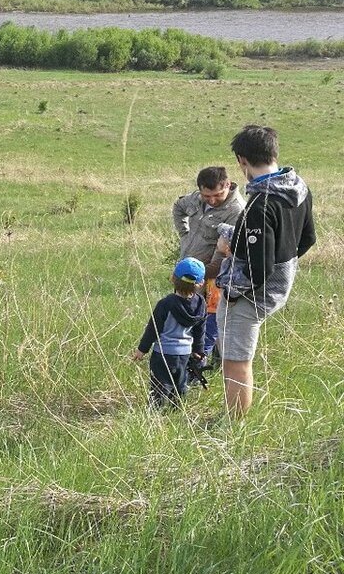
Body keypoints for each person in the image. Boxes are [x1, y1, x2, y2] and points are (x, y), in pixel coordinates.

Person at [214, 125, 316, 416]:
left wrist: (229, 254)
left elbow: (259, 268)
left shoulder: (260, 203)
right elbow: (308, 238)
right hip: (279, 288)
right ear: (274, 152)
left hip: (252, 296)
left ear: (241, 160)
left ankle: (234, 423)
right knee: (237, 356)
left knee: (236, 361)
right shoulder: (298, 188)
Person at [172, 166, 245, 363]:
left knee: (208, 321)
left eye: (217, 195)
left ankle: (203, 364)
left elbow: (222, 255)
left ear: (228, 185)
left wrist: (193, 275)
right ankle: (188, 358)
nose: (212, 200)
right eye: (207, 196)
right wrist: (184, 234)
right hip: (189, 267)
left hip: (209, 277)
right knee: (189, 316)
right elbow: (178, 207)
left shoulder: (236, 211)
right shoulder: (196, 198)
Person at [133, 257, 208, 409]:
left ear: (173, 278)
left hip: (163, 353)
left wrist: (142, 349)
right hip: (185, 354)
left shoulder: (165, 304)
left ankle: (155, 412)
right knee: (180, 384)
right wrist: (198, 350)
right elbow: (200, 330)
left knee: (160, 384)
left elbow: (153, 329)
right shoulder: (201, 304)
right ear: (200, 283)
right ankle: (177, 410)